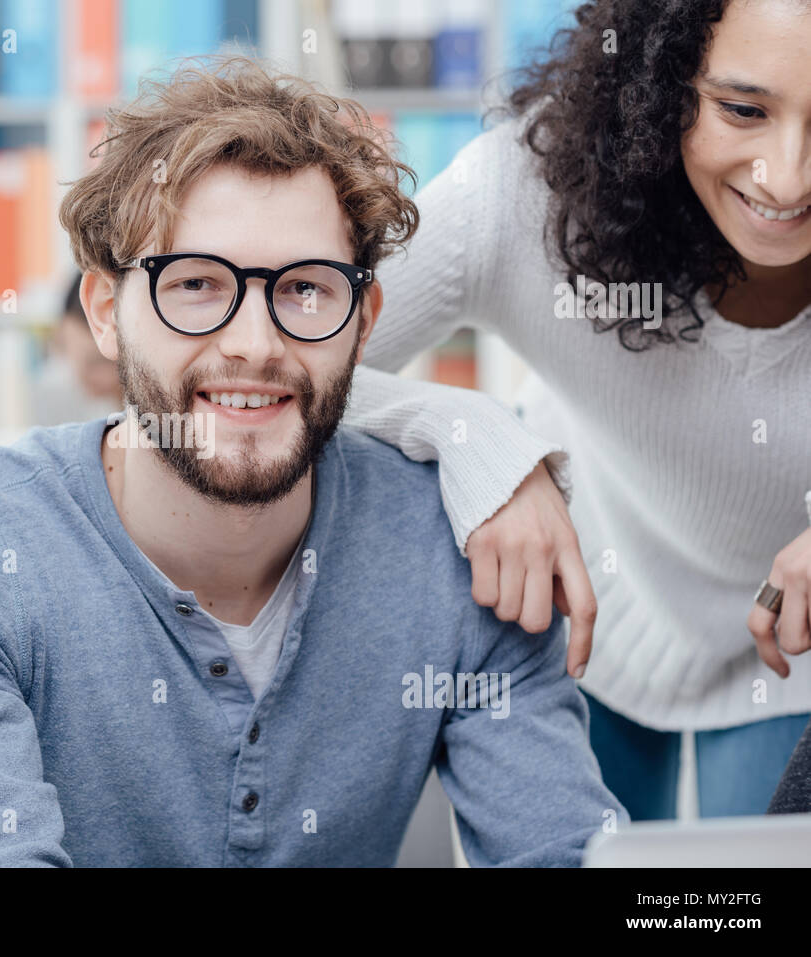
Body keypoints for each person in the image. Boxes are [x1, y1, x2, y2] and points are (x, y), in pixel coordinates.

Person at [0, 57, 626, 866]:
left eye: (304, 290)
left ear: (363, 323)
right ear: (105, 313)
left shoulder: (465, 547)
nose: (254, 344)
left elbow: (566, 855)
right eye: (193, 283)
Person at [340, 0, 811, 820]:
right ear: (660, 82)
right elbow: (286, 371)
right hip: (574, 608)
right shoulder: (527, 196)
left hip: (789, 650)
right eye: (743, 109)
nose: (789, 175)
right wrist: (480, 439)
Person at [27, 272, 124, 425]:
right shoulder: (52, 391)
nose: (107, 377)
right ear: (61, 336)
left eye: (114, 363)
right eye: (94, 362)